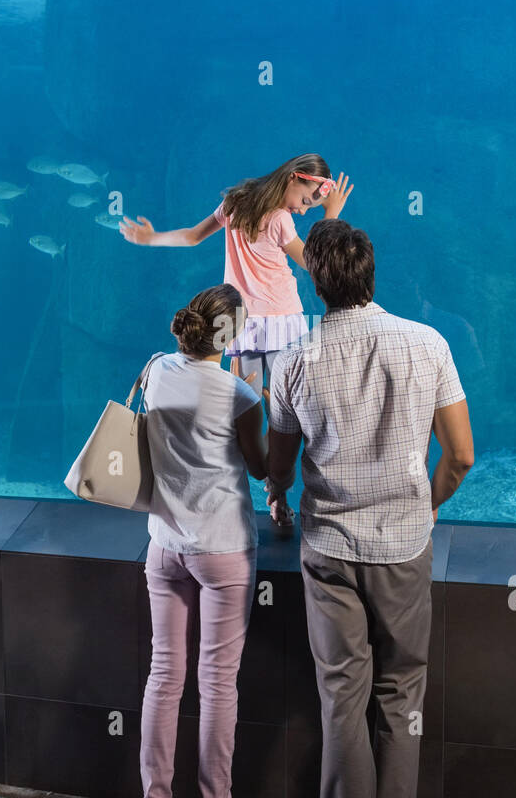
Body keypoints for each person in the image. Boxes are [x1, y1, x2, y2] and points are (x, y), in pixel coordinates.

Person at [267, 219, 474, 798]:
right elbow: (462, 455)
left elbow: (279, 464)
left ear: (314, 278)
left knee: (341, 701)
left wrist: (276, 497)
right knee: (399, 698)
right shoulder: (428, 343)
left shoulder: (293, 359)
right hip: (404, 547)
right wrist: (429, 506)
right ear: (372, 273)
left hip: (327, 548)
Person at [119, 154, 354, 525]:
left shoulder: (234, 202)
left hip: (239, 325)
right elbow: (313, 261)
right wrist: (333, 214)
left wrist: (151, 239)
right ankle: (281, 493)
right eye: (308, 200)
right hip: (283, 324)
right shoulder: (279, 219)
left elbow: (193, 237)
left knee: (250, 409)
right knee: (290, 412)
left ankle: (257, 491)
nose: (305, 211)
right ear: (294, 178)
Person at [139, 284, 267, 798]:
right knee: (217, 684)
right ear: (233, 335)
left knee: (163, 676)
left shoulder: (155, 369)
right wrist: (255, 391)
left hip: (164, 545)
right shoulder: (239, 395)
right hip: (222, 548)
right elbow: (262, 468)